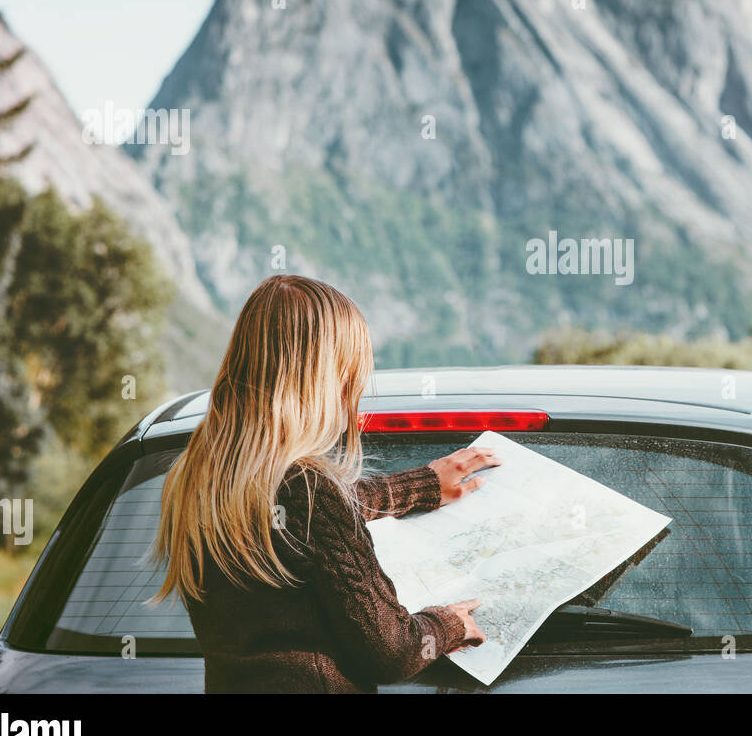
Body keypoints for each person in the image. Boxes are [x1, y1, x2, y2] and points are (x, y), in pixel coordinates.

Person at [151, 274, 499, 692]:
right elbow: (394, 653)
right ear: (323, 378)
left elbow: (305, 520)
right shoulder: (310, 491)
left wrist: (422, 485)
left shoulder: (195, 478)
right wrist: (449, 624)